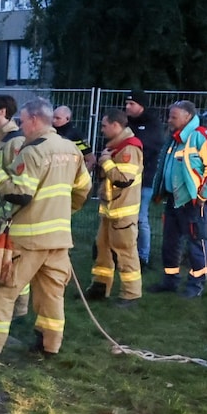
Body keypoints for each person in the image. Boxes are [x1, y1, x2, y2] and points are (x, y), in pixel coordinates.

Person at [0, 97, 91, 357]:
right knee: (51, 295)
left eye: (22, 120)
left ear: (33, 120)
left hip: (28, 237)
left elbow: (20, 194)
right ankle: (49, 345)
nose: (20, 124)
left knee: (1, 287)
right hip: (59, 239)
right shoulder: (71, 150)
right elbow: (83, 190)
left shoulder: (33, 151)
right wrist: (63, 215)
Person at [148, 100, 207, 299]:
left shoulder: (203, 137)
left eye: (174, 116)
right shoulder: (174, 139)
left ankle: (196, 285)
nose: (169, 120)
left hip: (193, 202)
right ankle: (170, 281)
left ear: (188, 116)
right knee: (170, 242)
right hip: (174, 200)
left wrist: (202, 197)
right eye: (169, 116)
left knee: (196, 243)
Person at [84, 109, 143, 307]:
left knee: (125, 252)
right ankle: (100, 287)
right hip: (111, 209)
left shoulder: (129, 149)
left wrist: (105, 162)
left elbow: (124, 179)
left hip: (123, 212)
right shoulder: (118, 146)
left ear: (116, 126)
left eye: (104, 125)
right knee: (102, 249)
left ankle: (131, 294)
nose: (101, 129)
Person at [0, 94, 30, 318]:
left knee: (10, 261)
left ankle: (19, 307)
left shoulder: (15, 141)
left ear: (3, 112)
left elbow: (17, 182)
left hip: (8, 213)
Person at [124, 90, 167, 269]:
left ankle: (143, 256)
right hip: (125, 179)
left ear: (141, 105)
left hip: (144, 179)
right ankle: (125, 252)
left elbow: (148, 148)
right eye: (126, 103)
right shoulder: (127, 123)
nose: (127, 107)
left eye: (131, 103)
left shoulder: (152, 124)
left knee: (141, 218)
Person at [52, 105, 97, 170]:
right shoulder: (49, 130)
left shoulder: (76, 135)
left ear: (67, 119)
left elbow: (91, 160)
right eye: (53, 117)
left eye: (58, 118)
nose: (54, 120)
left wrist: (81, 178)